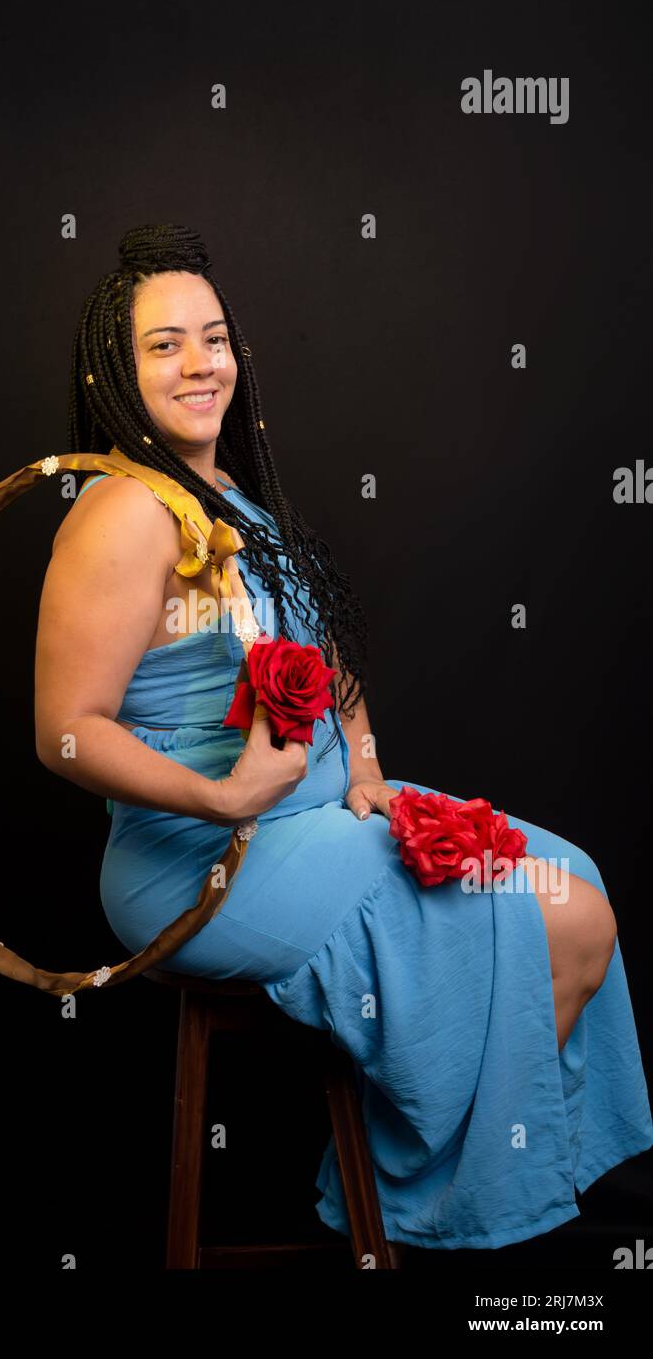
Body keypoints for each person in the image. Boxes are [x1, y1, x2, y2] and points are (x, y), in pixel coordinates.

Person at [33, 223, 653, 1257]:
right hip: (199, 859)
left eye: (214, 337)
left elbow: (327, 661)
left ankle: (405, 1191)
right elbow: (63, 734)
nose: (201, 364)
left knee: (577, 897)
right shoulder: (124, 514)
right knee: (551, 912)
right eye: (164, 345)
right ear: (114, 368)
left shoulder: (231, 496)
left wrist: (362, 763)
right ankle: (409, 1208)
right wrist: (230, 799)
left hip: (316, 820)